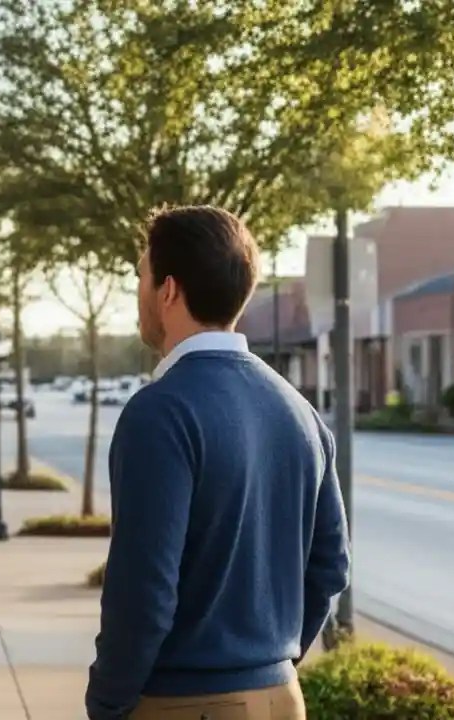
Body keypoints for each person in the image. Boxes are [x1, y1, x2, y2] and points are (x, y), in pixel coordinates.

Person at [86, 205, 350, 720]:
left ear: (167, 290)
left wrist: (108, 702)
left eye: (141, 277)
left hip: (185, 702)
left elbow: (144, 590)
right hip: (281, 698)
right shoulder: (301, 411)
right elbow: (331, 568)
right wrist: (273, 664)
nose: (138, 294)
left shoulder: (160, 412)